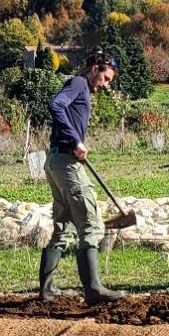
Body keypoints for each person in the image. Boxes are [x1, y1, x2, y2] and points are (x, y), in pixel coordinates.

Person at [37, 52, 125, 304]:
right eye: (105, 78)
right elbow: (56, 104)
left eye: (109, 81)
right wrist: (76, 140)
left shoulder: (82, 88)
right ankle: (94, 290)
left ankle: (47, 291)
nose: (105, 84)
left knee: (63, 229)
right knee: (91, 225)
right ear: (94, 68)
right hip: (66, 162)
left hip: (56, 161)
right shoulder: (78, 83)